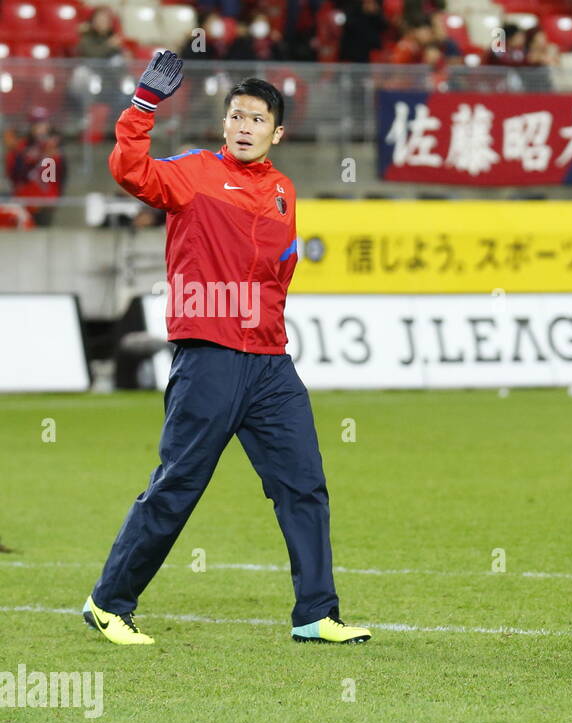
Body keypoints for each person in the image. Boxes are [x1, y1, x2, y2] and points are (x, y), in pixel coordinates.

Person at [84, 52, 372, 647]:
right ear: (224, 124)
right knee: (179, 483)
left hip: (269, 363)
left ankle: (316, 613)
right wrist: (142, 107)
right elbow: (128, 168)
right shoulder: (190, 173)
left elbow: (282, 270)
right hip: (208, 354)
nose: (244, 126)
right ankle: (109, 602)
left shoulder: (285, 192)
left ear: (278, 132)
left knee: (304, 484)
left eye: (257, 119)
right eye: (236, 116)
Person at [5, 108, 64, 227]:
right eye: (37, 124)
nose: (40, 128)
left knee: (43, 238)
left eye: (43, 124)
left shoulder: (53, 148)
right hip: (25, 201)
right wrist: (30, 158)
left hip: (45, 203)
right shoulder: (21, 148)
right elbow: (15, 175)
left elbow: (59, 177)